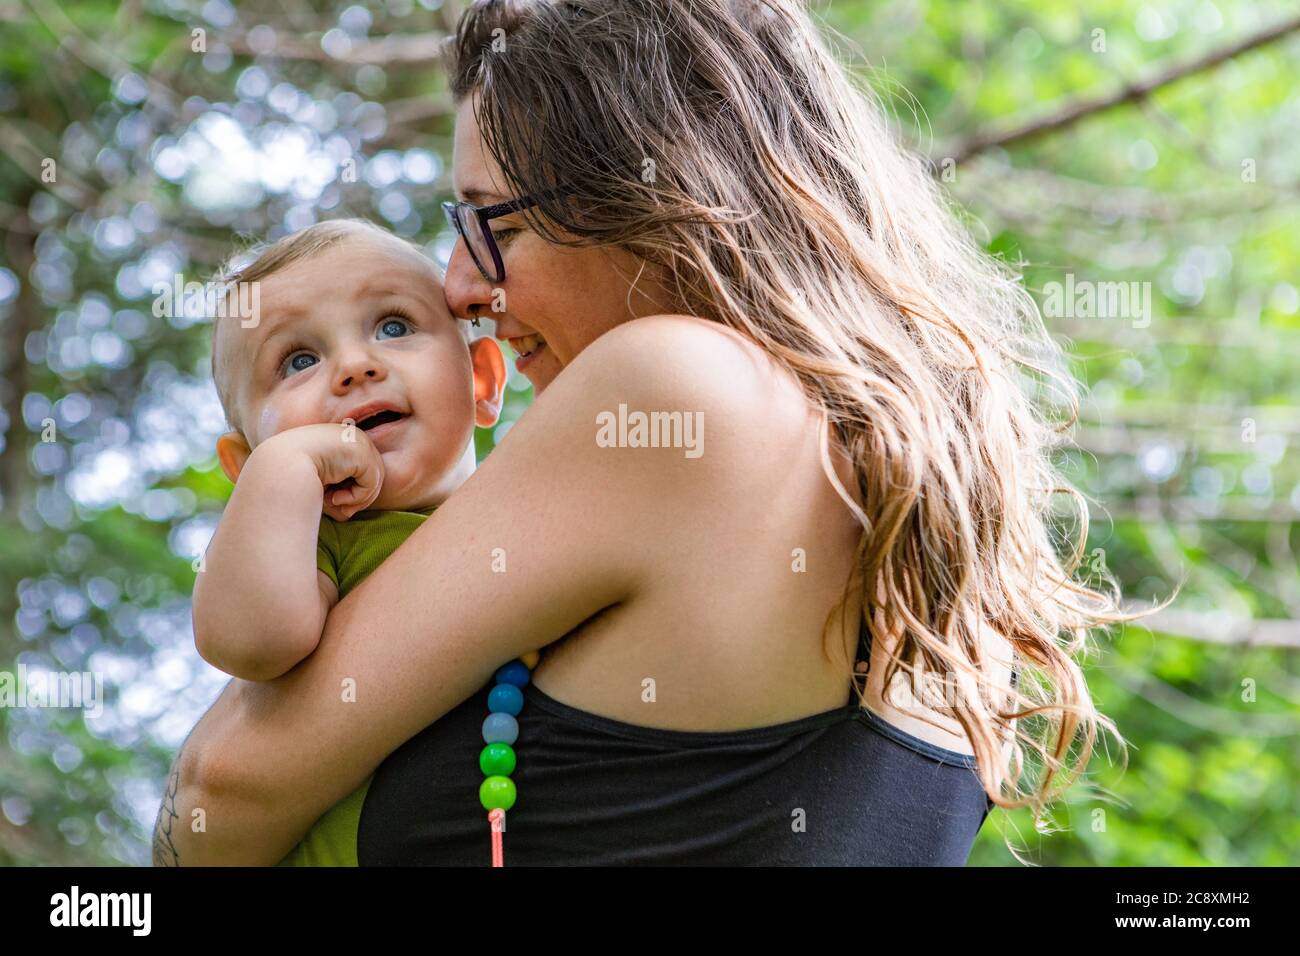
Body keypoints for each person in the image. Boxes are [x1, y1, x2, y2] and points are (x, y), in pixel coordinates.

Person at [155, 0, 1125, 867]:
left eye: (494, 224)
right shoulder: (957, 584)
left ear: (655, 196)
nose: (459, 286)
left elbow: (225, 789)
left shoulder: (676, 393)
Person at [187, 219, 507, 865]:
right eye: (298, 361)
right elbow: (247, 642)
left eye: (393, 326)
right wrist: (283, 474)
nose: (356, 366)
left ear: (482, 379)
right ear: (244, 462)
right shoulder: (327, 548)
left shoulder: (542, 515)